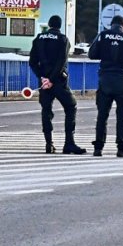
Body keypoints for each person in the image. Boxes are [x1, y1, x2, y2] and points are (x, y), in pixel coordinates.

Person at [28, 15, 87, 155]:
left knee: (46, 111)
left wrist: (43, 78)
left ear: (49, 24)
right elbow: (61, 62)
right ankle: (69, 143)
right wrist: (52, 80)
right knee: (71, 106)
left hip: (44, 83)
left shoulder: (38, 38)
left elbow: (32, 62)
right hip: (59, 82)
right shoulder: (63, 39)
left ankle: (49, 143)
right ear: (60, 26)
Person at [88, 14, 123, 157]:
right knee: (122, 116)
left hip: (105, 81)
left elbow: (92, 54)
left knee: (102, 115)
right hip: (122, 81)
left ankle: (98, 147)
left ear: (111, 25)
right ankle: (122, 148)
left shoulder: (103, 36)